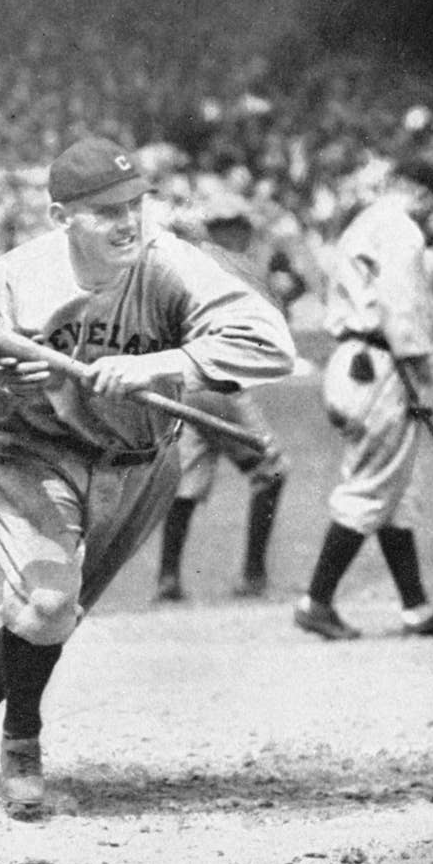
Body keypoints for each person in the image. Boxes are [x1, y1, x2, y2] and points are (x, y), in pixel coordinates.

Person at [0, 136, 296, 819]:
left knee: (50, 619)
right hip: (36, 452)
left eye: (135, 204)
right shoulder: (10, 282)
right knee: (49, 605)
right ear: (62, 217)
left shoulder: (170, 263)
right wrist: (2, 388)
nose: (128, 223)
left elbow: (271, 344)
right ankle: (20, 745)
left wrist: (162, 366)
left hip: (142, 464)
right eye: (105, 211)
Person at [294, 159, 433, 640]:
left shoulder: (365, 222)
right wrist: (421, 368)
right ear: (420, 194)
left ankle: (416, 607)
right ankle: (316, 601)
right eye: (430, 203)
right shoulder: (402, 229)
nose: (430, 214)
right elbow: (401, 306)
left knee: (394, 489)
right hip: (380, 362)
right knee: (372, 486)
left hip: (352, 361)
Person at [154, 201, 289, 601]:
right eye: (234, 226)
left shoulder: (175, 264)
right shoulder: (231, 264)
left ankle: (168, 578)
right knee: (272, 470)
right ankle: (253, 575)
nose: (241, 233)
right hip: (220, 386)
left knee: (187, 484)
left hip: (183, 385)